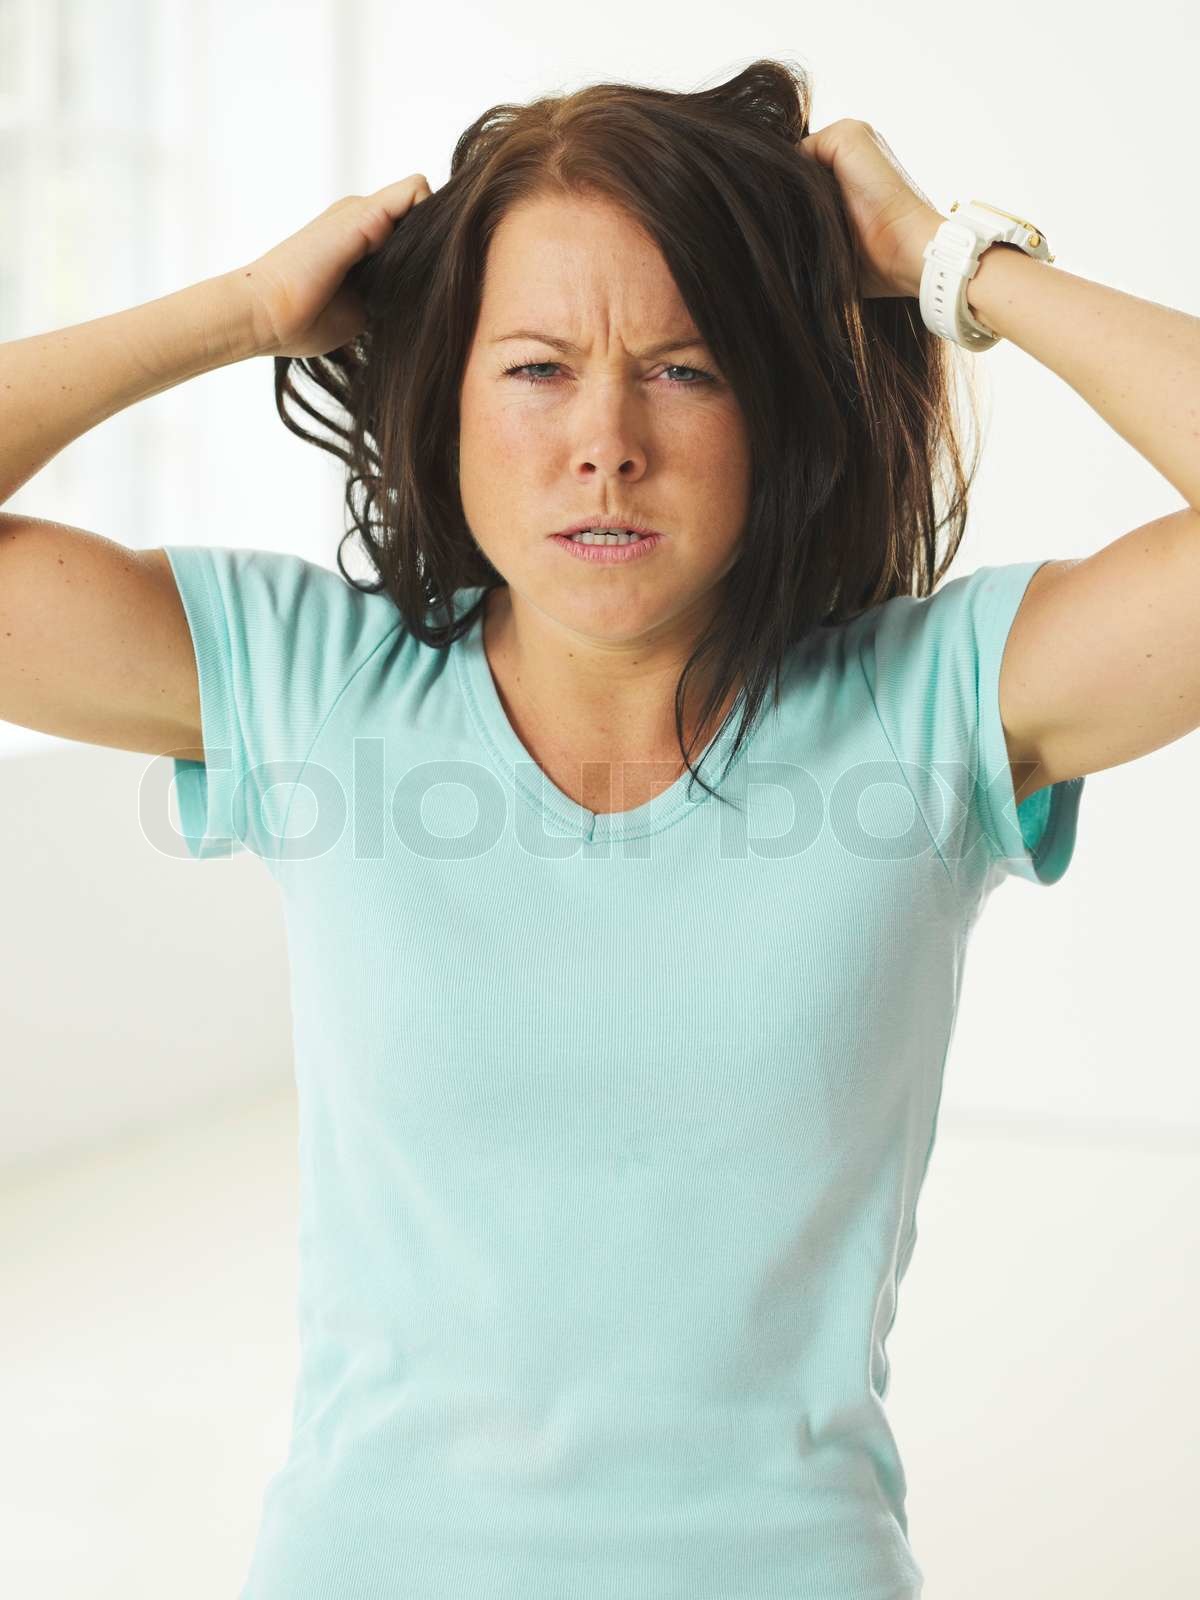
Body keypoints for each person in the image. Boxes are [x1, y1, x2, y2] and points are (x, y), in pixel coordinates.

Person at [0, 59, 1091, 1600]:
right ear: (441, 395)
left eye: (687, 367)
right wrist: (244, 309)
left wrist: (947, 263)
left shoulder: (930, 707)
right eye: (534, 369)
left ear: (780, 405)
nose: (607, 442)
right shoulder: (314, 686)